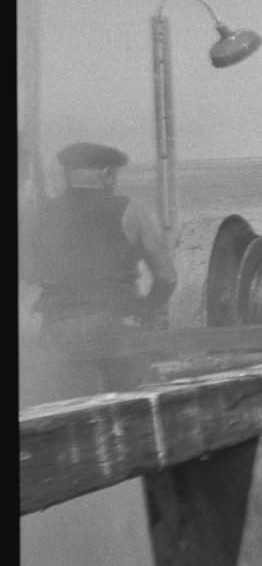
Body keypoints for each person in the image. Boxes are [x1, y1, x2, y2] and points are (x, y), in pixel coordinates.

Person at [27, 143, 177, 396]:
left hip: (57, 331)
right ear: (107, 174)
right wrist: (147, 312)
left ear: (67, 174)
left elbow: (29, 273)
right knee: (131, 406)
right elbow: (167, 276)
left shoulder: (42, 215)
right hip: (115, 327)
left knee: (63, 413)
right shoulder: (130, 209)